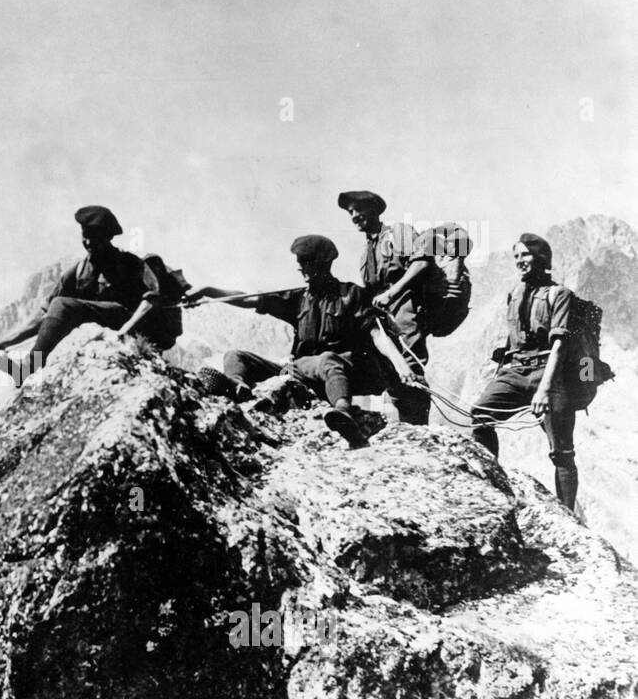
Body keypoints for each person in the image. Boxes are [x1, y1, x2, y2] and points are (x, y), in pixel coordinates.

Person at [194, 235, 420, 446]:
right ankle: (236, 386)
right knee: (235, 356)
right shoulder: (298, 298)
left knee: (326, 360)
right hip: (300, 372)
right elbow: (250, 299)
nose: (299, 266)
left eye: (305, 261)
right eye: (299, 261)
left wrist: (401, 364)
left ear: (322, 264)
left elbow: (377, 334)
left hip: (342, 371)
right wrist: (209, 291)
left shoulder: (352, 295)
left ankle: (343, 413)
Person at [0, 206, 174, 387]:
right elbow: (47, 315)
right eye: (85, 236)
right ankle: (27, 368)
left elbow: (152, 299)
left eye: (96, 238)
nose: (89, 243)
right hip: (103, 325)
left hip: (130, 322)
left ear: (108, 237)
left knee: (62, 304)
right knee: (59, 305)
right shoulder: (78, 271)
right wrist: (9, 341)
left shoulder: (129, 263)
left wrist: (123, 332)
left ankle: (28, 367)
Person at [470, 234, 579, 509]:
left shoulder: (560, 294)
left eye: (525, 255)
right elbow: (511, 337)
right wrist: (498, 372)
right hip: (516, 369)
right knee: (480, 414)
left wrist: (544, 389)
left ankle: (568, 515)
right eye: (516, 256)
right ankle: (492, 489)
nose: (519, 261)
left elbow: (560, 345)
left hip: (549, 373)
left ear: (541, 259)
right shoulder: (514, 292)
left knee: (562, 451)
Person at [338, 190, 434, 425]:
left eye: (358, 209)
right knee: (392, 372)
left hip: (405, 309)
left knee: (411, 367)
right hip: (383, 320)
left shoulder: (397, 233)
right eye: (350, 211)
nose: (354, 215)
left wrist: (392, 292)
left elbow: (422, 263)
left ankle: (419, 430)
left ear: (374, 209)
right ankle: (408, 427)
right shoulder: (365, 253)